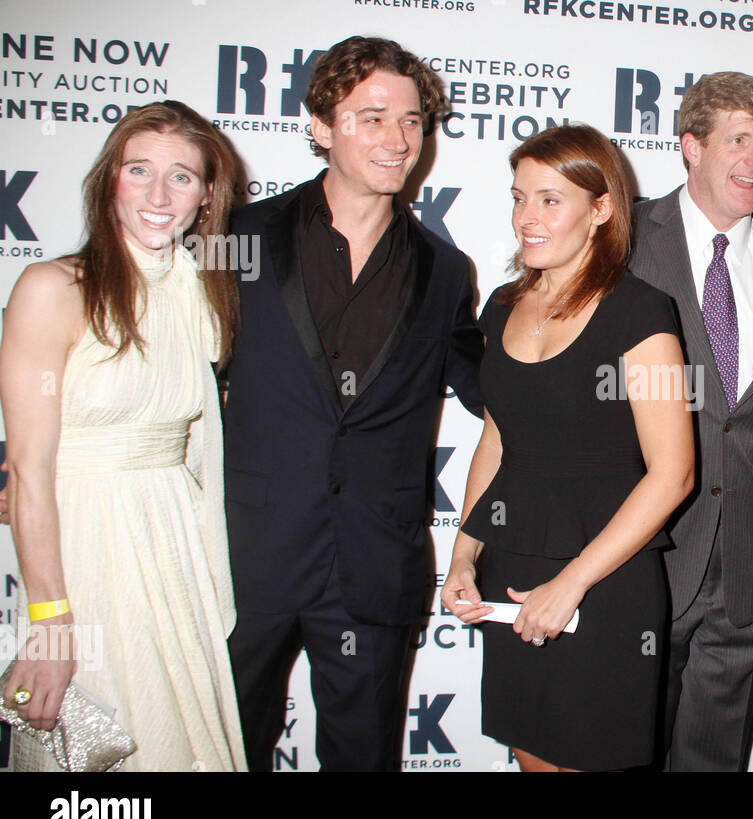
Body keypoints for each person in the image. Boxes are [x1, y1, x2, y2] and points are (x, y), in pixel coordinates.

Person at [222, 36, 483, 771]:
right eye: (372, 117)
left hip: (373, 560)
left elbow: (495, 386)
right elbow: (175, 365)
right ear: (320, 125)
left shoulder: (442, 268)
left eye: (410, 121)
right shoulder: (243, 237)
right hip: (248, 553)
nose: (398, 140)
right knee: (222, 749)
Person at [0, 101, 245, 771]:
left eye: (182, 177)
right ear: (109, 179)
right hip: (84, 546)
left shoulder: (201, 291)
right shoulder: (52, 288)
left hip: (173, 545)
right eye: (139, 170)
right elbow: (28, 470)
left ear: (206, 196)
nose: (159, 195)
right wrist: (51, 625)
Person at [442, 123, 693, 771]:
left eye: (550, 199)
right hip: (513, 566)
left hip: (604, 579)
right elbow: (498, 436)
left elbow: (673, 475)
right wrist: (464, 553)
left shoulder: (644, 313)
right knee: (533, 756)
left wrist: (572, 582)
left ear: (600, 208)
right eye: (519, 197)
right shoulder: (502, 306)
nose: (528, 216)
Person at [627, 71, 753, 771]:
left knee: (715, 758)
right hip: (641, 552)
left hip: (746, 558)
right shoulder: (622, 236)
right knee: (627, 746)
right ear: (690, 146)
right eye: (739, 139)